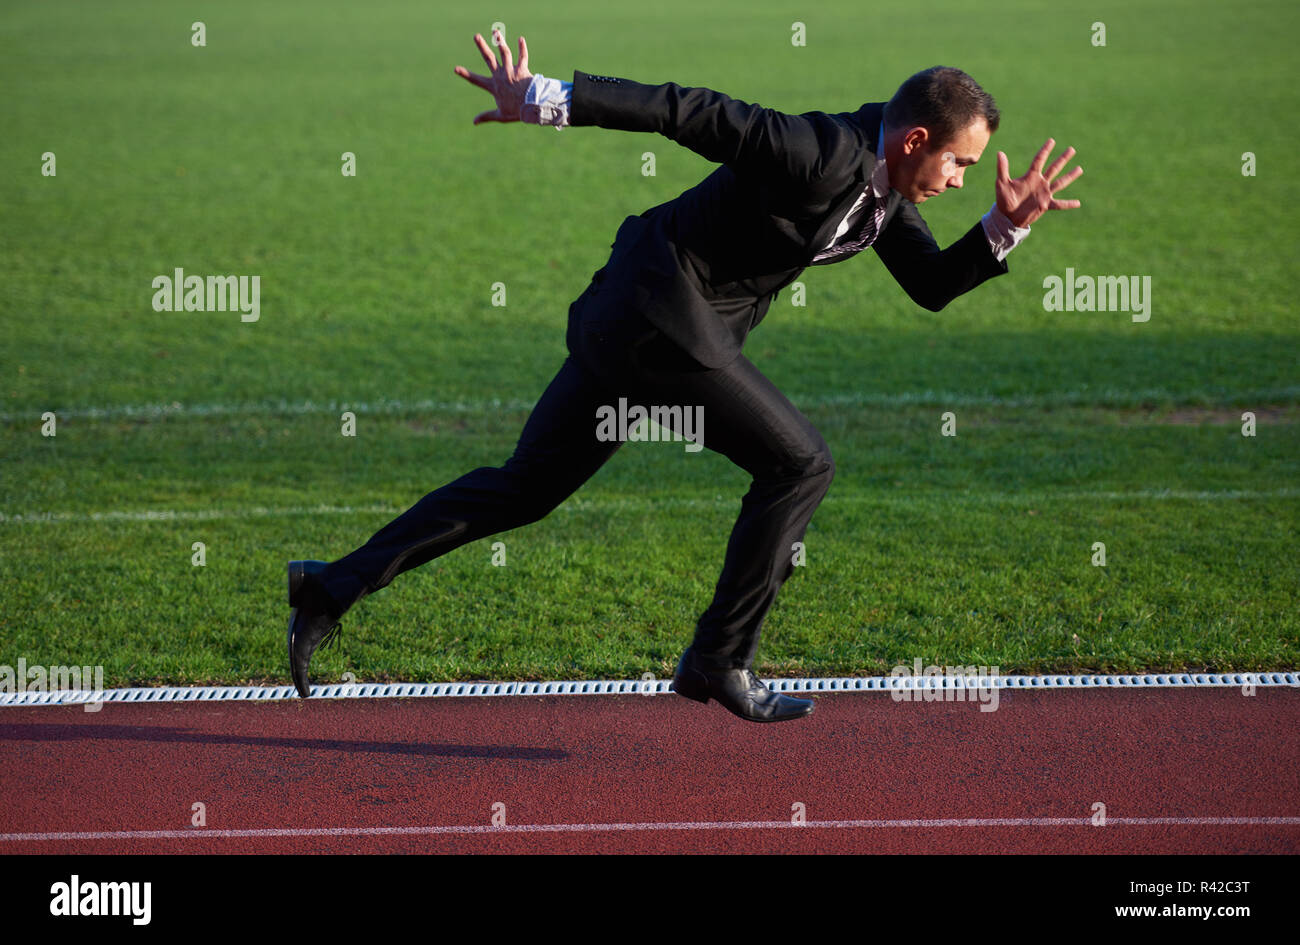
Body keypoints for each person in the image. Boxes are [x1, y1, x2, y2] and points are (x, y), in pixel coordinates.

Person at [287, 29, 1082, 722]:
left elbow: (932, 286)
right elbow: (687, 109)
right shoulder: (819, 150)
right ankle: (719, 656)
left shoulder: (883, 201)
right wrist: (546, 99)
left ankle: (329, 587)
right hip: (662, 320)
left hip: (632, 323)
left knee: (525, 488)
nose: (961, 179)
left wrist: (1003, 226)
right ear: (915, 141)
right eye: (961, 163)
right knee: (800, 463)